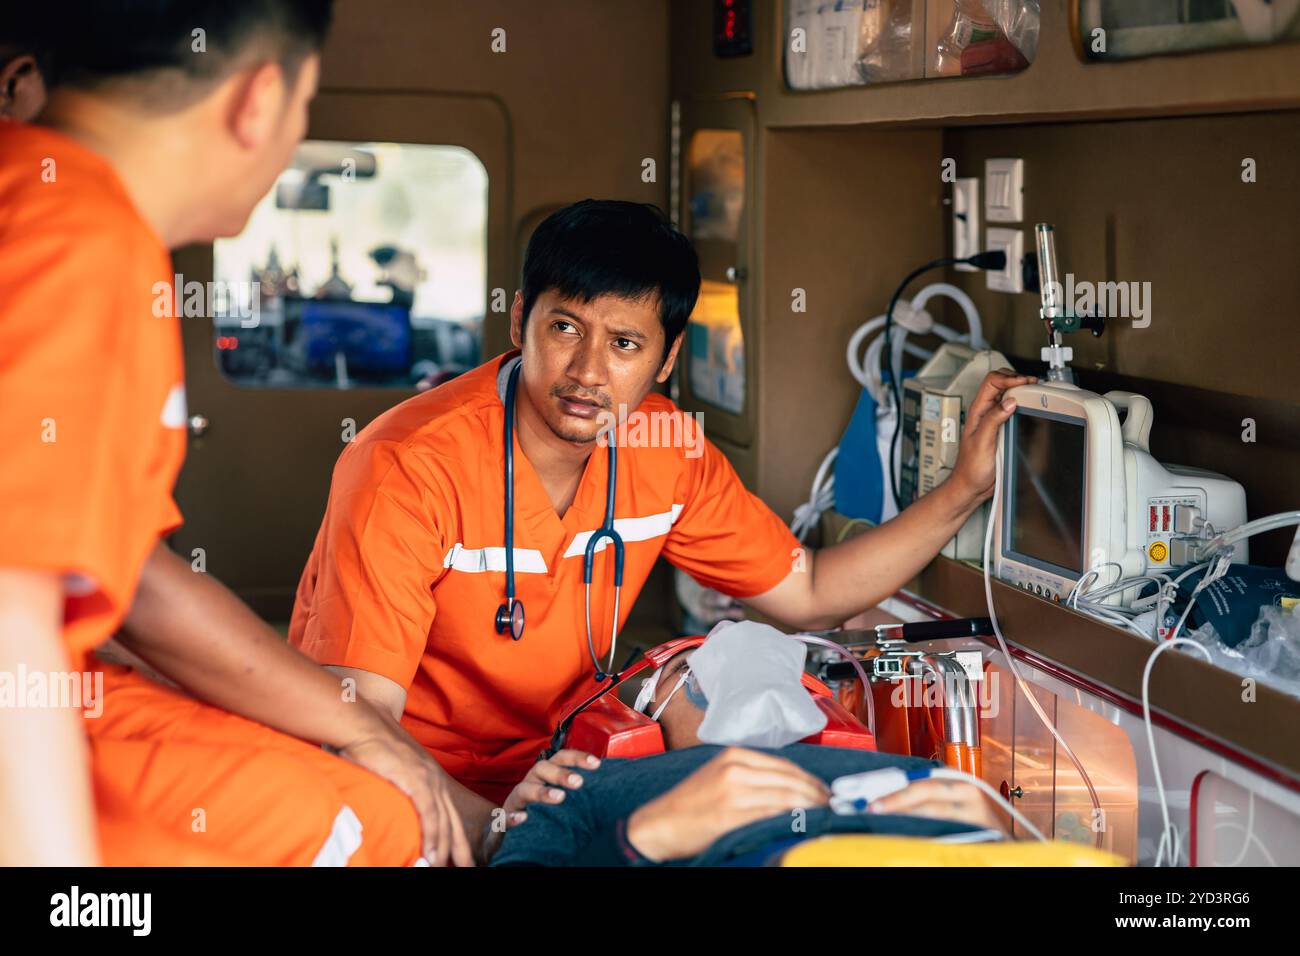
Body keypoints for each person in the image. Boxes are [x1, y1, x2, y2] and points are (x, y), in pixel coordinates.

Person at [289, 198, 1036, 828]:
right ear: (520, 321)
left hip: (569, 765)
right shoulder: (405, 466)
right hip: (412, 781)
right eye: (564, 328)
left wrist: (964, 490)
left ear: (666, 359)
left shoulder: (666, 450)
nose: (587, 373)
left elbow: (808, 593)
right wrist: (499, 831)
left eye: (623, 344)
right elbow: (359, 725)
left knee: (713, 699)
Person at [0, 0, 473, 866]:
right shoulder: (78, 238)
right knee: (362, 832)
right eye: (307, 107)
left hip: (65, 675)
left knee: (374, 799)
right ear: (260, 99)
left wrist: (364, 730)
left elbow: (134, 576)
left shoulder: (52, 197)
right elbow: (10, 605)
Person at [490, 642, 1011, 866]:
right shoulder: (579, 786)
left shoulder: (582, 784)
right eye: (691, 667)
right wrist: (643, 837)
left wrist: (639, 839)